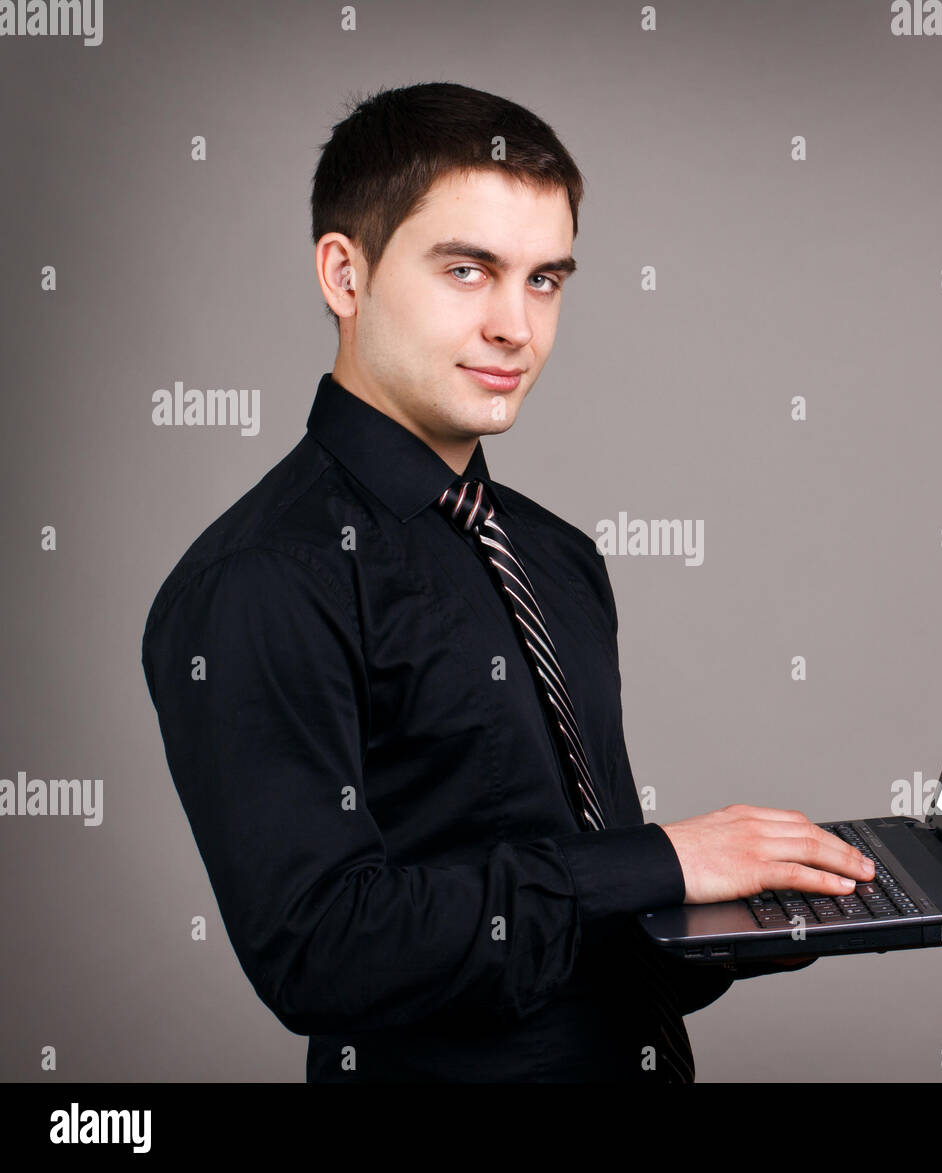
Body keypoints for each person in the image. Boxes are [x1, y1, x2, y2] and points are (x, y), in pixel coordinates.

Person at [140, 81, 874, 1083]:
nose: (515, 328)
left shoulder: (556, 555)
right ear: (343, 275)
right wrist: (657, 860)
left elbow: (575, 902)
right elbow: (319, 949)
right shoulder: (258, 583)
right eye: (467, 271)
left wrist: (762, 902)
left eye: (544, 280)